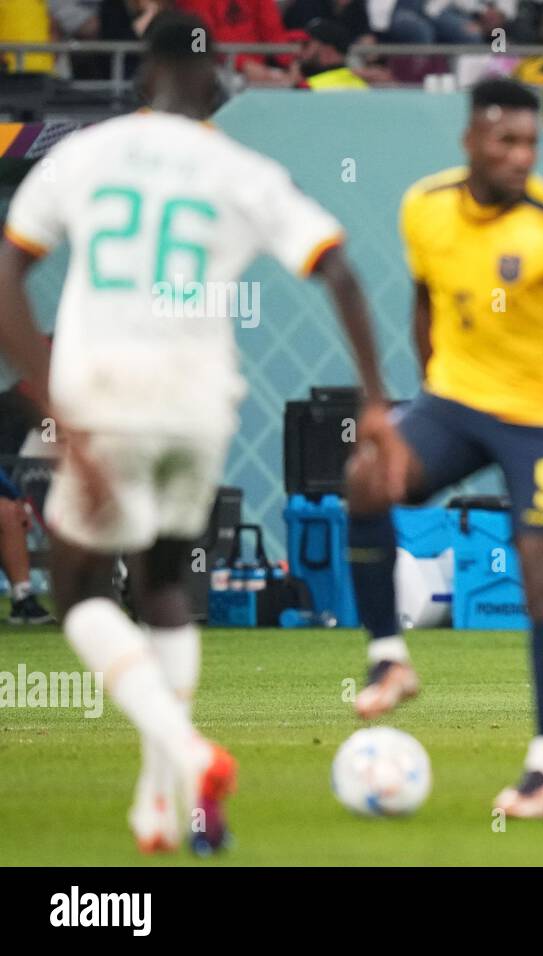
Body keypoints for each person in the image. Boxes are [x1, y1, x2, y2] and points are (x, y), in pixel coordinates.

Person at [0, 12, 398, 854]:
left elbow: (10, 271)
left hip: (105, 395)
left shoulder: (83, 155)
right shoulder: (239, 166)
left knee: (77, 587)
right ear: (216, 75)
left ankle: (185, 751)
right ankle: (160, 804)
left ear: (143, 74)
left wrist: (47, 392)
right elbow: (342, 272)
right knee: (166, 582)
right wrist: (373, 402)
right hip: (200, 405)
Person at [347, 78, 543, 819]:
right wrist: (403, 403)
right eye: (505, 141)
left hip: (539, 419)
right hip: (452, 402)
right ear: (471, 139)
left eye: (530, 143)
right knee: (367, 477)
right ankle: (388, 658)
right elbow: (423, 297)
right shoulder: (424, 207)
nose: (519, 155)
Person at [0, 465, 54, 624]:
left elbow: (49, 439)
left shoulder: (47, 439)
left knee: (8, 511)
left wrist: (17, 499)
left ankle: (22, 597)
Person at [296, 17, 369, 89]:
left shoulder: (307, 88)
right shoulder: (363, 86)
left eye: (305, 44)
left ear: (328, 51)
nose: (299, 52)